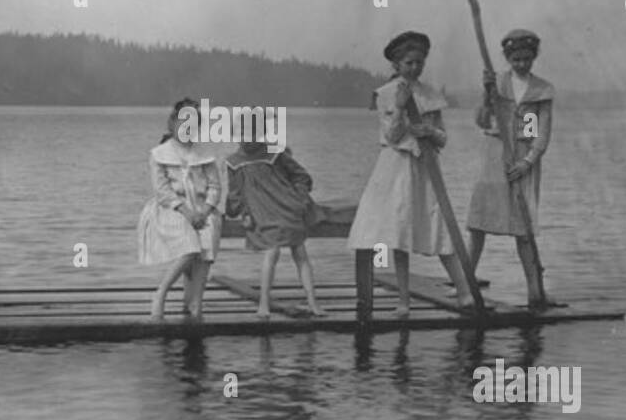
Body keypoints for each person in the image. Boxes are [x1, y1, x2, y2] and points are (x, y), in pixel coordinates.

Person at [346, 31, 478, 317]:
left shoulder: (430, 95)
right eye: (408, 63)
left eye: (419, 62)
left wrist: (429, 131)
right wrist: (402, 109)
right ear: (396, 65)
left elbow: (443, 139)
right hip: (394, 169)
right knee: (399, 232)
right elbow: (391, 136)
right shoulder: (385, 94)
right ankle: (403, 301)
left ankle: (465, 292)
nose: (415, 68)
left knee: (438, 226)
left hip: (424, 168)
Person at [466, 28, 555, 309]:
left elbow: (541, 134)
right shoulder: (497, 84)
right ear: (508, 58)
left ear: (534, 57)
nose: (521, 64)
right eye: (516, 59)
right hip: (494, 156)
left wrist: (527, 162)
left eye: (527, 58)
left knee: (524, 228)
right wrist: (486, 94)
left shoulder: (541, 90)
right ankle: (466, 285)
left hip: (524, 161)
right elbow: (481, 122)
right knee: (478, 222)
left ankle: (535, 291)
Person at [138, 98, 223, 320]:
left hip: (202, 207)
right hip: (173, 208)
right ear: (173, 123)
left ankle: (196, 300)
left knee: (207, 241)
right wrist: (186, 211)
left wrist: (204, 210)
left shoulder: (204, 154)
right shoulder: (159, 153)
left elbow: (215, 186)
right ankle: (161, 293)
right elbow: (162, 190)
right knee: (190, 248)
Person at [225, 140, 326, 318]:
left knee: (299, 252)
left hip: (288, 208)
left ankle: (313, 303)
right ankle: (264, 304)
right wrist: (242, 211)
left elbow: (300, 175)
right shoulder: (234, 161)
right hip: (263, 212)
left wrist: (299, 199)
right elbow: (235, 193)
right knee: (272, 252)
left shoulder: (274, 151)